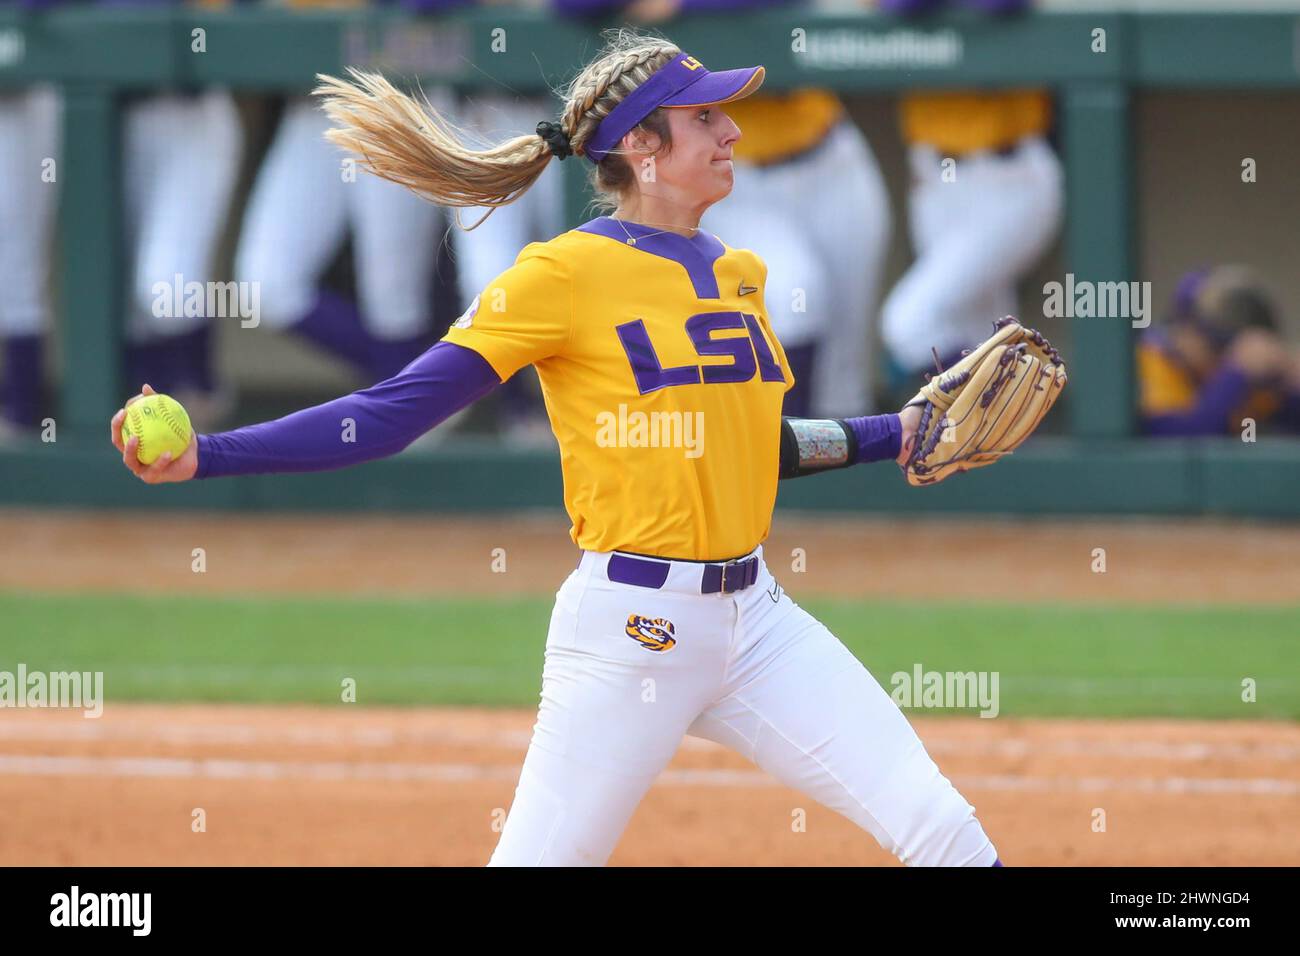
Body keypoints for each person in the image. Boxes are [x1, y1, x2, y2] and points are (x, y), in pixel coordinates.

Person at [112, 30, 1002, 868]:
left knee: (942, 826)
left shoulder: (738, 272)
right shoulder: (560, 275)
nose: (733, 128)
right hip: (631, 634)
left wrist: (899, 434)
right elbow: (392, 412)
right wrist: (210, 455)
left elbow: (755, 446)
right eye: (704, 117)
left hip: (760, 621)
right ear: (642, 149)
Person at [554, 0, 891, 419]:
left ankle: (832, 467)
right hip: (736, 174)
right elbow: (572, 7)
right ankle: (781, 455)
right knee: (798, 298)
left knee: (847, 370)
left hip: (828, 155)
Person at [877, 0, 1063, 387]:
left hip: (1008, 175)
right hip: (933, 175)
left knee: (910, 320)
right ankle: (993, 433)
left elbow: (998, 5)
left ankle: (984, 418)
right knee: (986, 336)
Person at [1139, 266, 1300, 437]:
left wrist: (1291, 386)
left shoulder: (1246, 376)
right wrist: (1235, 373)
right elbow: (1181, 437)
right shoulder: (1149, 360)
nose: (1227, 354)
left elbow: (1288, 424)